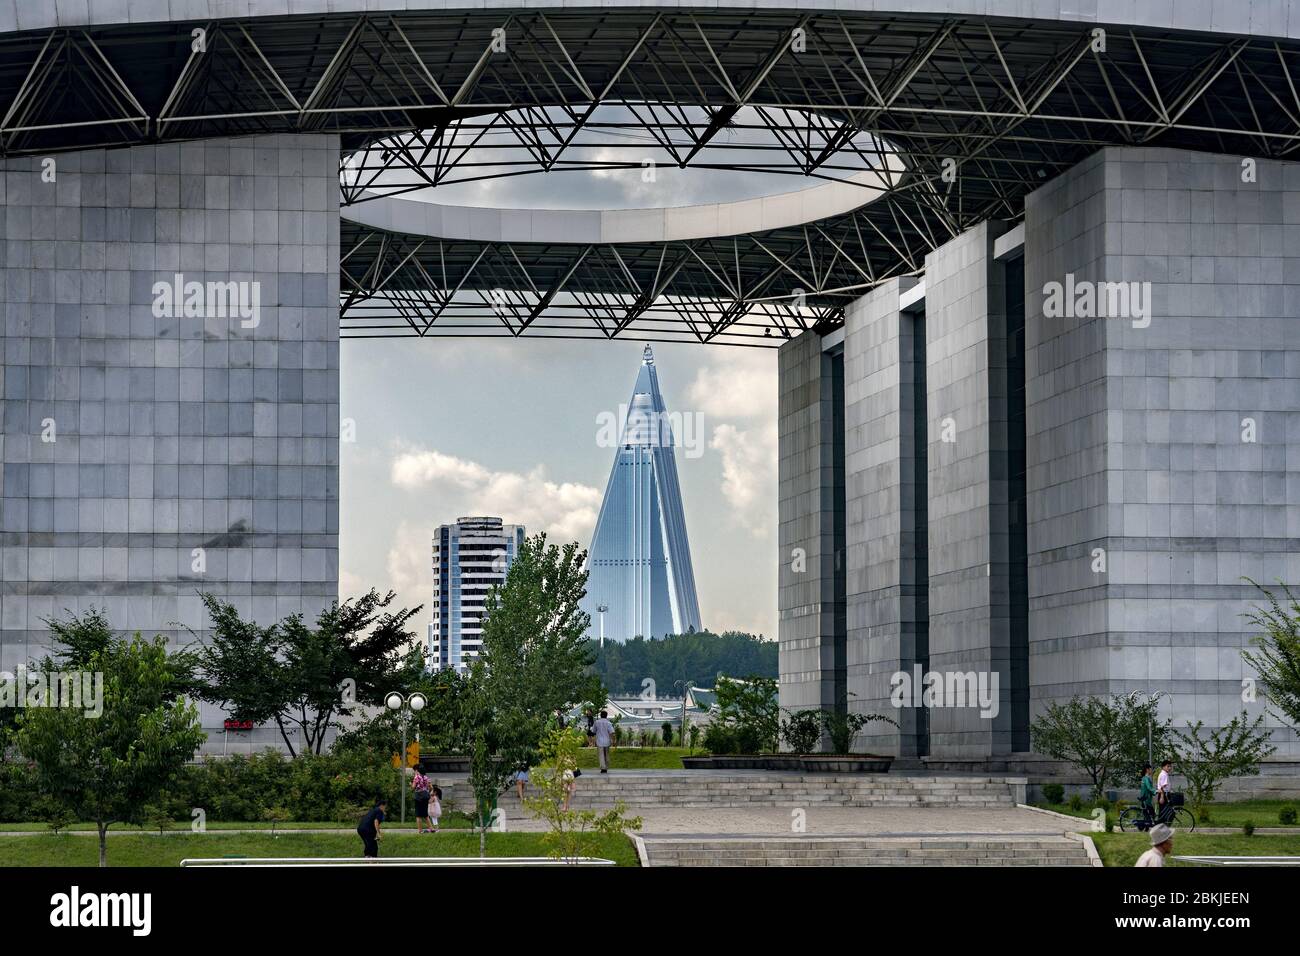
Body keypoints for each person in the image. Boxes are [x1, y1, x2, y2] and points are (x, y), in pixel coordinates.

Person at [412, 765, 432, 833]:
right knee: (425, 814)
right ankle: (431, 828)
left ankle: (420, 830)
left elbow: (413, 787)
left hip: (419, 797)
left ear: (418, 770)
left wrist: (411, 785)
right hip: (425, 796)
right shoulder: (426, 777)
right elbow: (431, 787)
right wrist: (427, 791)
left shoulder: (417, 777)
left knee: (418, 815)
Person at [1138, 764, 1157, 828]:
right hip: (1146, 799)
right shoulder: (1146, 778)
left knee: (1147, 814)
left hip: (1145, 798)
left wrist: (1154, 792)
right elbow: (1149, 788)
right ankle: (1150, 826)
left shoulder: (1144, 778)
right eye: (1151, 769)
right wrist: (1155, 791)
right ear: (1147, 770)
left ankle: (1146, 827)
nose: (1151, 770)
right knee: (1152, 814)